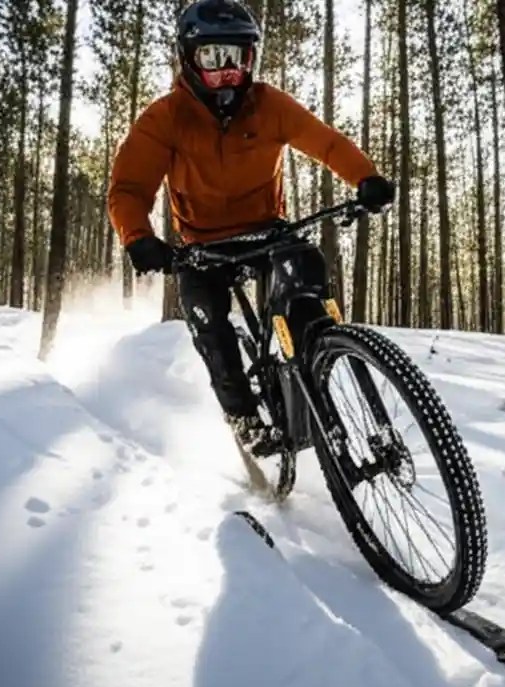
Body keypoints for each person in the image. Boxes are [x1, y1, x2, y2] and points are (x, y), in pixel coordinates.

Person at [107, 0, 395, 456]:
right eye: (213, 58)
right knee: (209, 324)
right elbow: (129, 187)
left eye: (239, 58)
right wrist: (138, 237)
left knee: (307, 279)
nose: (228, 72)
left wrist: (366, 177)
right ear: (188, 57)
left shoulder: (269, 105)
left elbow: (326, 142)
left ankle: (312, 369)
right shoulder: (165, 118)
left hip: (266, 231)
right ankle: (244, 416)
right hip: (201, 246)